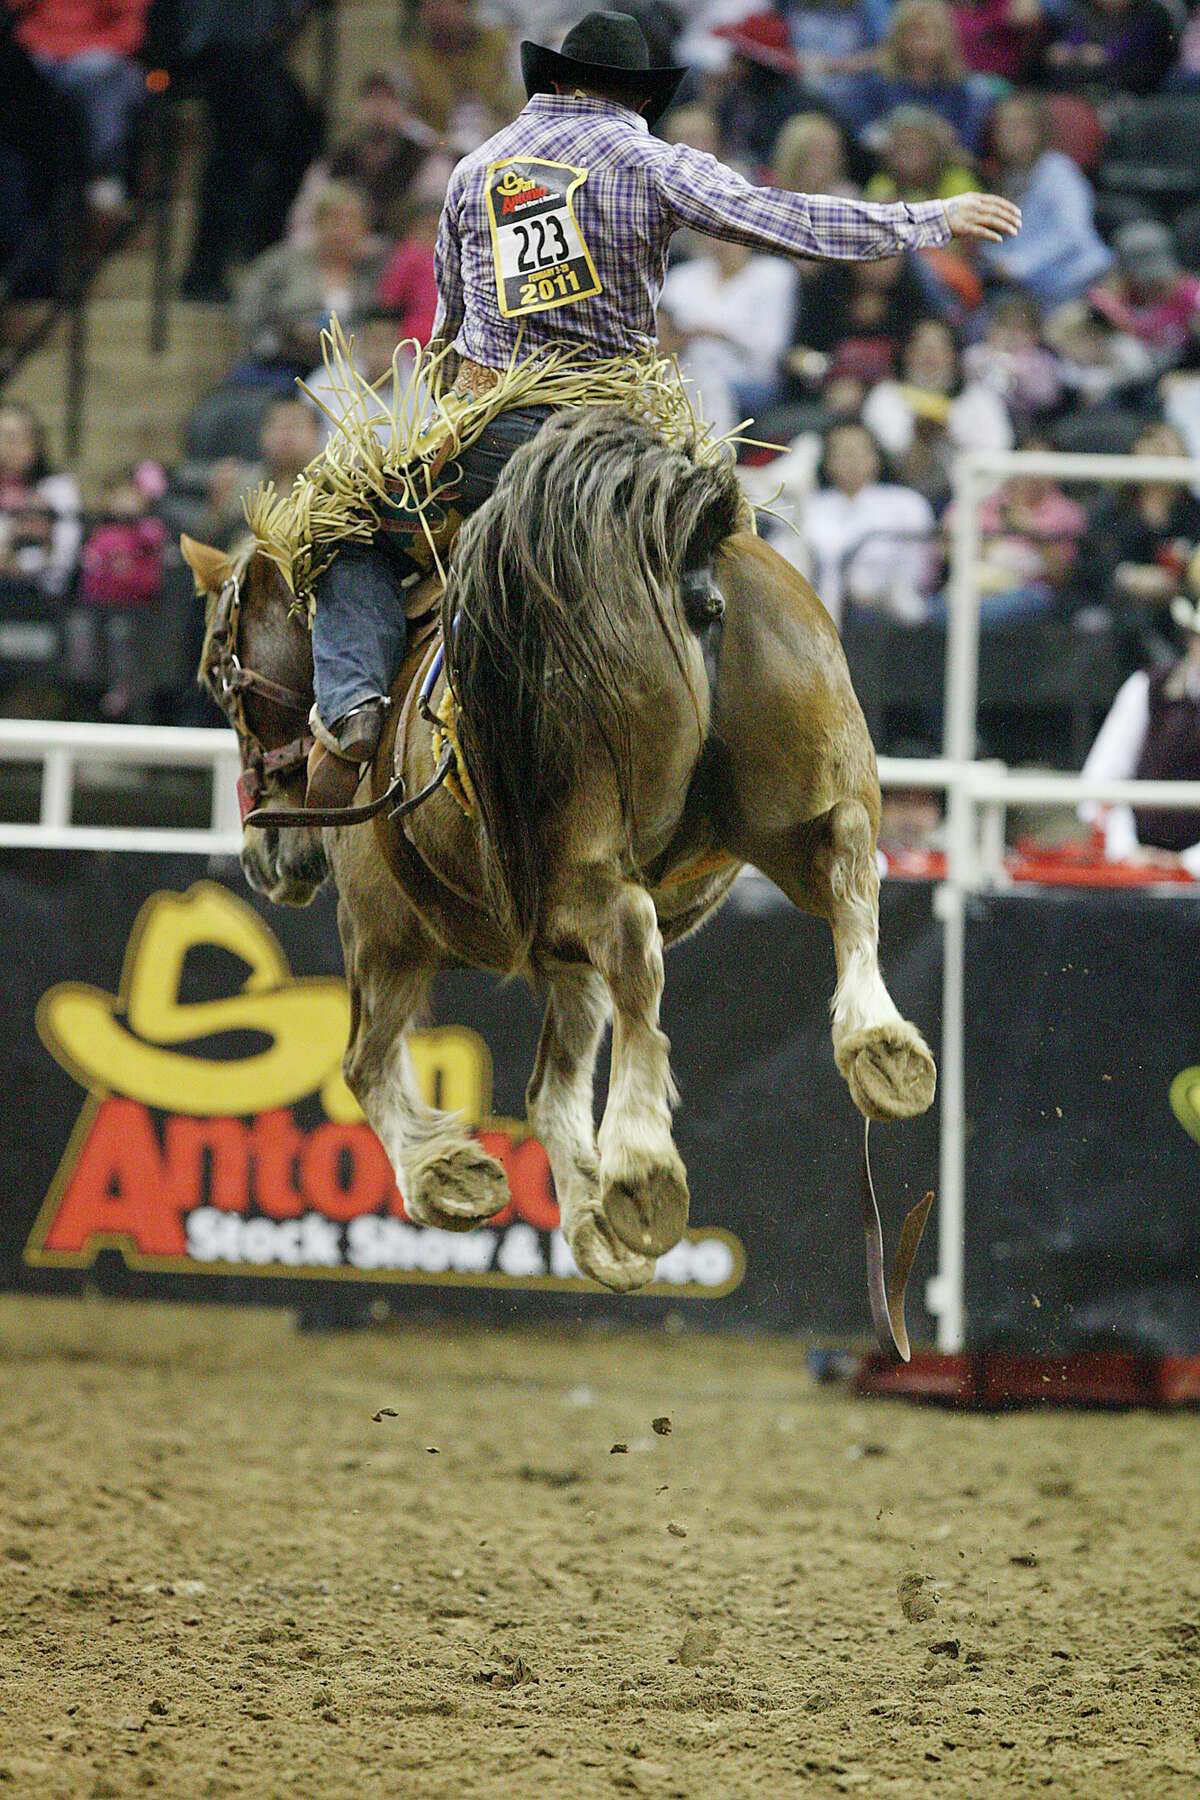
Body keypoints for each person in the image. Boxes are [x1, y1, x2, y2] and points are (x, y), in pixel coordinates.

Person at [287, 10, 1020, 807]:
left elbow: (449, 332)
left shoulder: (476, 170)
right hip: (622, 452)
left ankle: (356, 705)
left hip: (496, 443)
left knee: (349, 525)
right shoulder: (653, 160)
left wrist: (443, 423)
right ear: (633, 95)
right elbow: (790, 221)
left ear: (556, 81)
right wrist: (930, 217)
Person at [1081, 579, 1200, 877]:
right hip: (1137, 867)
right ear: (1190, 639)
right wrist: (1129, 851)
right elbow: (1099, 782)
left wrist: (1187, 865)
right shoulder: (1147, 689)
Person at [235, 182, 390, 380]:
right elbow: (248, 308)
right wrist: (289, 332)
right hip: (281, 364)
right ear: (317, 224)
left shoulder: (374, 271)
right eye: (334, 219)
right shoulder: (283, 261)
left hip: (349, 372)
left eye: (352, 220)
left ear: (365, 228)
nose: (342, 229)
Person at [794, 418, 938, 625]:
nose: (853, 461)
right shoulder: (811, 507)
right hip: (819, 612)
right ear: (828, 462)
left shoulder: (907, 503)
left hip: (895, 614)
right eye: (844, 453)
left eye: (860, 452)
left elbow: (921, 568)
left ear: (875, 457)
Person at [980, 92, 1112, 307]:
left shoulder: (1059, 171)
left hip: (1084, 281)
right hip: (1037, 291)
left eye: (1020, 125)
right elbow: (1013, 243)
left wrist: (1016, 265)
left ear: (1039, 131)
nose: (1010, 133)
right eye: (1004, 125)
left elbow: (1072, 232)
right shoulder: (1005, 178)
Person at [0, 400, 82, 601]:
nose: (14, 447)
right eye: (7, 438)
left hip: (42, 598)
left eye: (22, 437)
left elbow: (64, 556)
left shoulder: (59, 488)